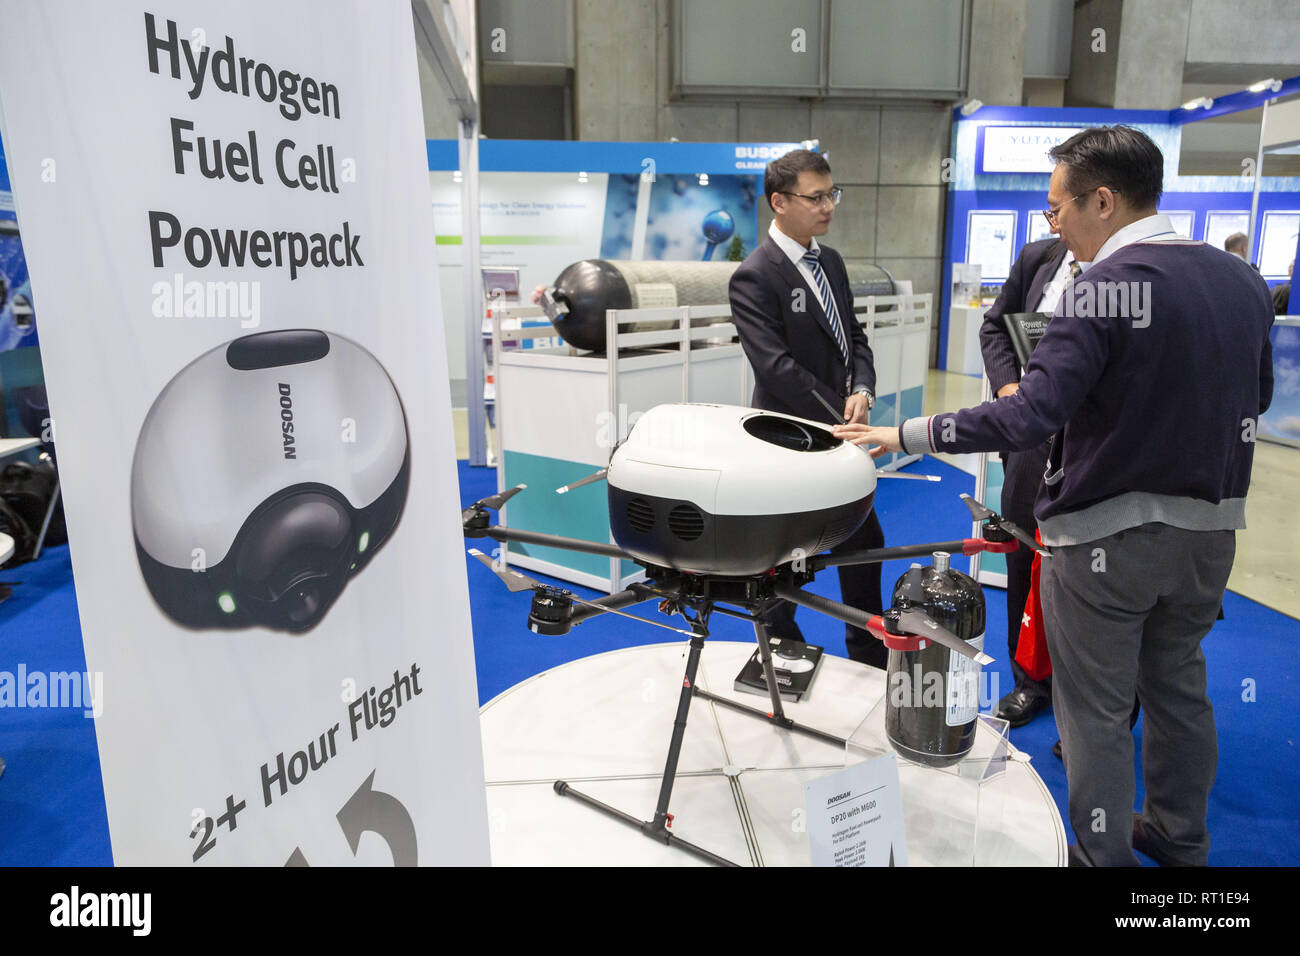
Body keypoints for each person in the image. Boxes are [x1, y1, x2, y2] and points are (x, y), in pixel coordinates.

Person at [834, 126, 1274, 866]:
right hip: (1211, 535)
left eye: (1058, 208)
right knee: (1178, 691)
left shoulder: (1100, 287)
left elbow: (1030, 413)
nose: (1054, 225)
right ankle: (1178, 837)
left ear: (1103, 200)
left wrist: (905, 433)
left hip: (1106, 539)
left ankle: (1103, 859)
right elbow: (1254, 396)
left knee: (1094, 711)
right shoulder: (1242, 281)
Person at [728, 149, 888, 668]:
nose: (828, 207)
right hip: (788, 439)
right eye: (815, 197)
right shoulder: (755, 275)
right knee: (780, 557)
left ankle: (867, 650)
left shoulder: (831, 262)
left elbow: (854, 338)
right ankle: (784, 649)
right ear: (779, 202)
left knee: (864, 544)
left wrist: (862, 389)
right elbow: (775, 369)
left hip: (841, 435)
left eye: (831, 194)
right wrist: (838, 415)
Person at [979, 233, 1072, 727]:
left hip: (1102, 444)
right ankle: (1029, 679)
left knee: (1090, 567)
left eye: (1059, 208)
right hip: (1032, 438)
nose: (1053, 221)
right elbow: (994, 326)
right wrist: (1010, 388)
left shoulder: (1133, 272)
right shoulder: (1040, 257)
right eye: (1048, 211)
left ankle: (1087, 693)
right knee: (1021, 551)